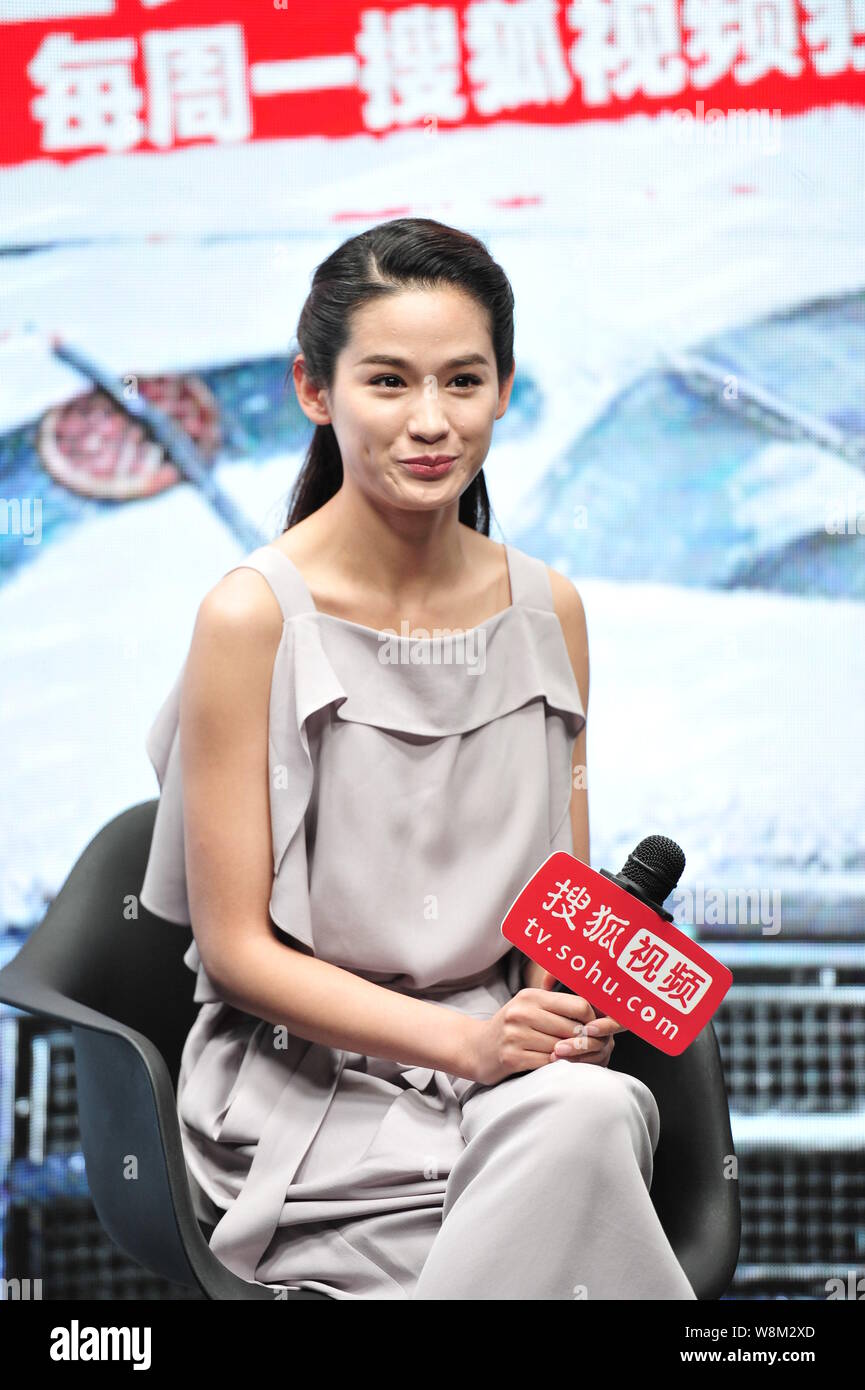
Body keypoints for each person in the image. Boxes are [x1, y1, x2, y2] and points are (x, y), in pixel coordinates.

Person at [139, 217, 697, 1300]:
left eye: (463, 381)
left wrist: (554, 1004)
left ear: (504, 389)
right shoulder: (251, 617)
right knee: (569, 1186)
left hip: (515, 1071)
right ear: (315, 389)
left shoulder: (549, 608)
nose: (431, 422)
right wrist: (465, 1046)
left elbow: (559, 905)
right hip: (311, 1091)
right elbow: (238, 951)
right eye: (388, 382)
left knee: (582, 1112)